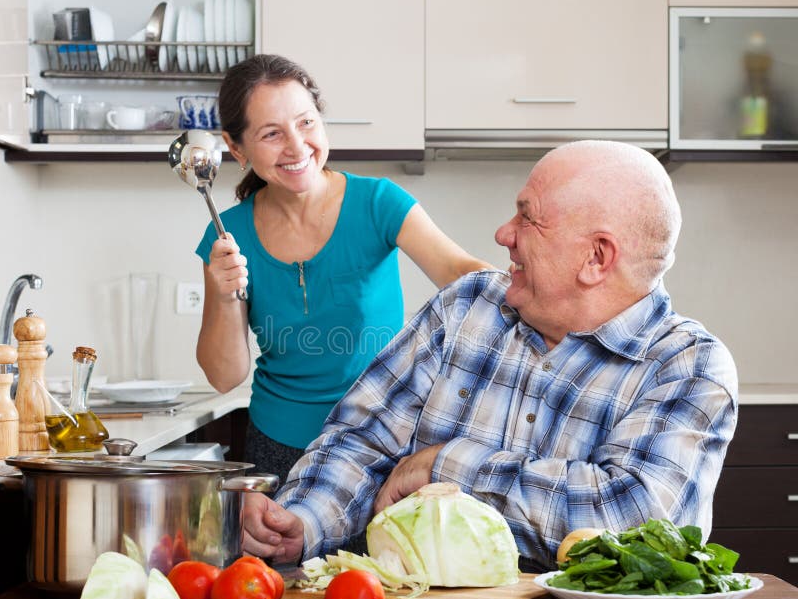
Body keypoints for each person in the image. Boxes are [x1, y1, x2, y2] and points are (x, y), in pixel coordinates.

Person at [241, 140, 739, 572]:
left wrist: (444, 466)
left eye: (529, 217)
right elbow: (361, 441)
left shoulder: (689, 368)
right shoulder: (467, 305)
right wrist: (302, 521)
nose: (504, 234)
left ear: (596, 258)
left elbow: (629, 525)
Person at [195, 54, 490, 482]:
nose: (297, 146)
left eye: (306, 123)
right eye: (272, 133)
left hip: (384, 442)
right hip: (279, 449)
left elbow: (458, 270)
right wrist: (224, 295)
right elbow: (225, 377)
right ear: (236, 147)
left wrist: (538, 287)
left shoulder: (378, 203)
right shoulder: (227, 234)